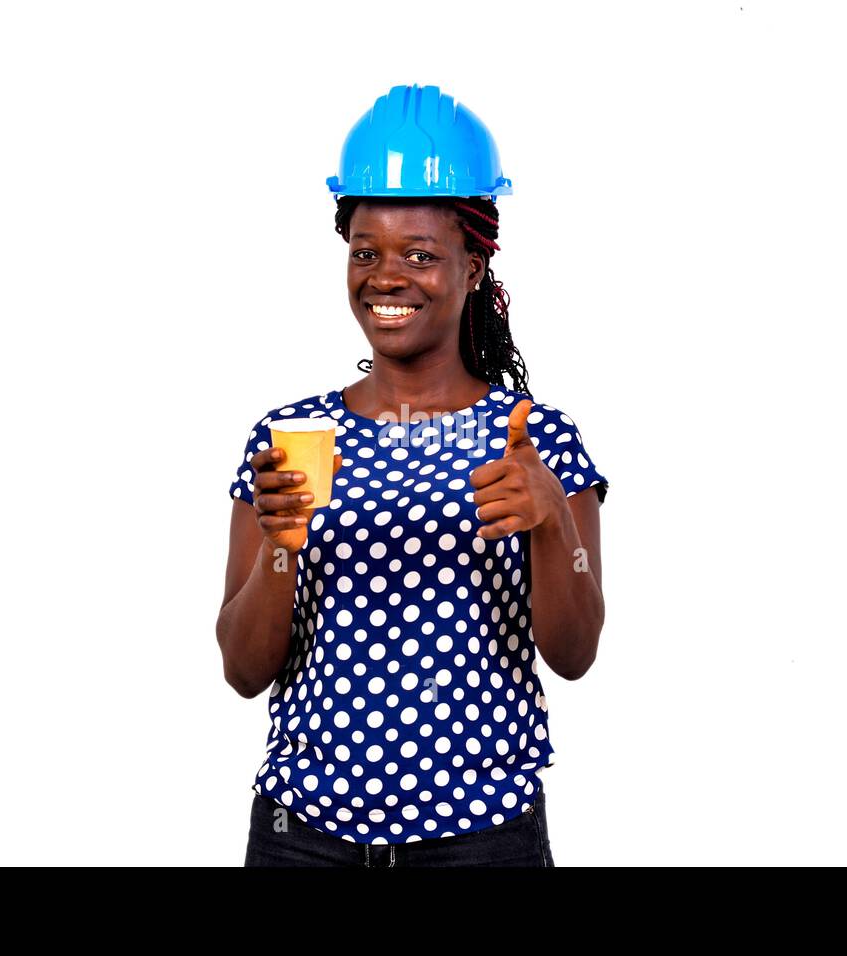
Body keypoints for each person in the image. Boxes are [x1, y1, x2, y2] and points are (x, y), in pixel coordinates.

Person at [218, 84, 610, 867]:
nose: (386, 276)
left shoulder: (536, 442)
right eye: (365, 252)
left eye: (420, 255)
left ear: (474, 268)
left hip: (479, 844)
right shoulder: (292, 440)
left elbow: (574, 654)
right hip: (304, 842)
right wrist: (281, 545)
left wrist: (552, 523)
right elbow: (241, 669)